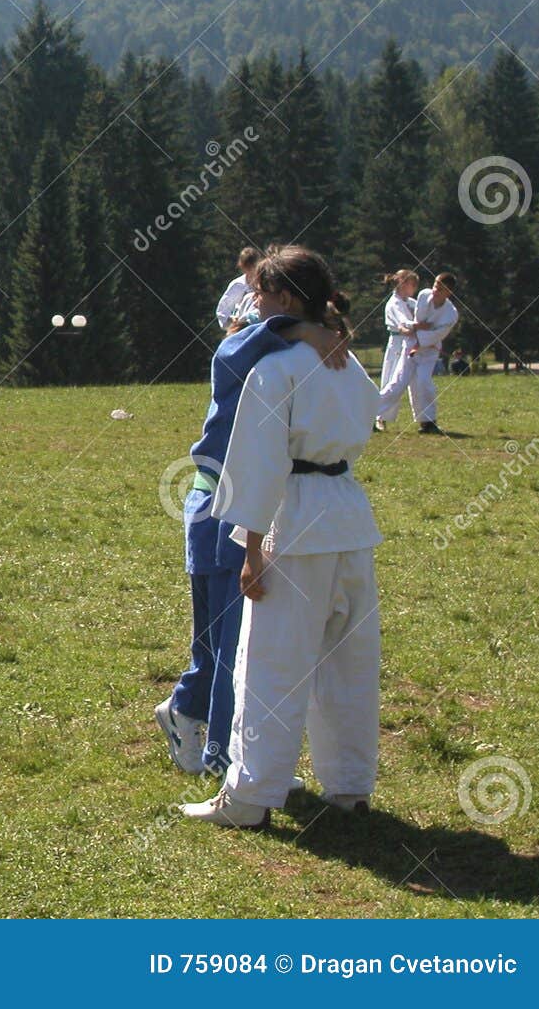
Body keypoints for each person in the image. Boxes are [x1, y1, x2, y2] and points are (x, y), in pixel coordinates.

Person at [181, 246, 382, 827]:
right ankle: (349, 787)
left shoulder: (274, 369)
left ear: (287, 300)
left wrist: (250, 551)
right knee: (349, 663)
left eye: (263, 295)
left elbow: (259, 463)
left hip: (292, 522)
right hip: (348, 518)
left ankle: (246, 799)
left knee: (268, 665)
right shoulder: (350, 363)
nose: (253, 304)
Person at [158, 291, 348, 776]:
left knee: (223, 636)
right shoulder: (249, 353)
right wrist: (305, 332)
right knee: (230, 644)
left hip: (230, 507)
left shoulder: (279, 360)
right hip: (221, 508)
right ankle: (224, 757)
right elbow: (234, 348)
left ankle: (186, 710)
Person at [376, 272, 458, 435]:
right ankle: (370, 414)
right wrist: (412, 328)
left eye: (441, 289)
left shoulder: (451, 314)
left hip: (429, 350)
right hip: (409, 345)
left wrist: (417, 335)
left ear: (449, 293)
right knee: (397, 383)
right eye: (435, 285)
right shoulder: (423, 295)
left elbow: (436, 334)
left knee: (423, 382)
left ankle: (428, 421)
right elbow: (417, 321)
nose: (435, 290)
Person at [372, 270, 419, 432]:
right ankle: (378, 416)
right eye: (413, 285)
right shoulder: (394, 303)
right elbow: (404, 322)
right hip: (398, 342)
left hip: (411, 342)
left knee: (413, 381)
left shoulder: (410, 302)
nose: (415, 288)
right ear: (404, 284)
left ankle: (424, 419)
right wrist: (420, 325)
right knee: (393, 378)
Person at [214, 247, 261, 330]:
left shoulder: (266, 282)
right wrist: (232, 321)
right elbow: (222, 311)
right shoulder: (237, 285)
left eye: (253, 266)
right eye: (247, 267)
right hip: (242, 328)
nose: (250, 270)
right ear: (242, 266)